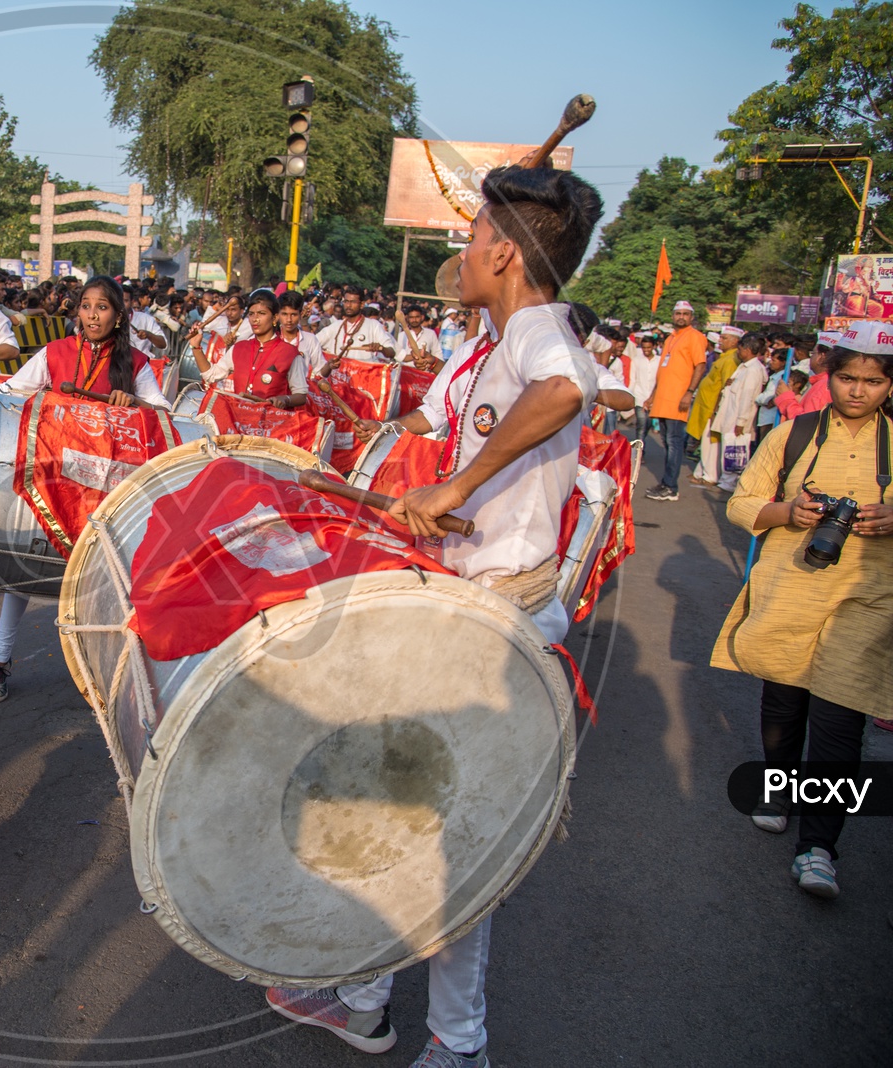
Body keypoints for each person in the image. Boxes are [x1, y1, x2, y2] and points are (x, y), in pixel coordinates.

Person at [271, 163, 603, 1068]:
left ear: (502, 251)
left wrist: (458, 483)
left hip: (498, 623)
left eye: (471, 239)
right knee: (393, 816)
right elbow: (450, 405)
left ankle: (459, 1044)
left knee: (449, 848)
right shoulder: (494, 339)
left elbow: (569, 386)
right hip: (457, 604)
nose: (460, 253)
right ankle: (365, 996)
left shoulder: (540, 331)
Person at [0, 276, 170, 704]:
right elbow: (7, 392)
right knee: (23, 571)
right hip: (50, 477)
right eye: (86, 306)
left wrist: (137, 405)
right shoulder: (56, 354)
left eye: (102, 307)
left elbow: (162, 416)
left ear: (118, 316)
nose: (93, 315)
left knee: (107, 581)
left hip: (104, 488)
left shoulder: (139, 363)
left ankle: (111, 677)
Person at [712, 321, 892, 900]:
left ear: (889, 385)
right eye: (846, 377)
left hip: (865, 600)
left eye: (872, 381)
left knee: (842, 726)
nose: (857, 391)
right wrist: (787, 512)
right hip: (790, 589)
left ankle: (819, 847)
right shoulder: (793, 434)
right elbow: (741, 504)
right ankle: (780, 787)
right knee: (783, 706)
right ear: (829, 375)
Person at [643, 300, 708, 501]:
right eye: (677, 313)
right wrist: (652, 396)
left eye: (685, 314)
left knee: (674, 442)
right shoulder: (671, 337)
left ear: (691, 317)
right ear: (673, 316)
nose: (681, 316)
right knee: (668, 443)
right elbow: (663, 371)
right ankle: (666, 483)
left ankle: (671, 487)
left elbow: (700, 366)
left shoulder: (695, 337)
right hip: (663, 399)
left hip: (678, 399)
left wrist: (689, 392)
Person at [201, 289, 306, 407]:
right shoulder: (239, 348)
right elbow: (211, 375)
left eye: (261, 313)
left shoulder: (290, 353)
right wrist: (195, 347)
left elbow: (301, 395)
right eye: (251, 314)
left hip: (274, 421)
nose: (255, 319)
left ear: (275, 318)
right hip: (239, 419)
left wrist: (285, 399)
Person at [708, 332, 770, 491]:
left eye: (740, 349)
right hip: (731, 414)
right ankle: (726, 480)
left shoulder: (754, 370)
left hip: (738, 417)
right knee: (730, 448)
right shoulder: (745, 367)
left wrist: (741, 422)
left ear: (748, 350)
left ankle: (729, 482)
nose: (738, 352)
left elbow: (748, 398)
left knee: (735, 450)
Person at [688, 325, 744, 486]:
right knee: (706, 443)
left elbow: (726, 388)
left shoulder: (731, 360)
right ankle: (702, 472)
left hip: (712, 408)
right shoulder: (725, 357)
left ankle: (709, 475)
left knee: (711, 443)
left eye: (724, 338)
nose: (720, 340)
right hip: (707, 405)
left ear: (735, 342)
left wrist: (716, 411)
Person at [314, 286, 394, 367]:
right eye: (346, 301)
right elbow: (313, 343)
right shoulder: (336, 326)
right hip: (339, 376)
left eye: (353, 302)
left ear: (362, 304)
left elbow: (391, 352)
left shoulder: (373, 325)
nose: (348, 305)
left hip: (362, 376)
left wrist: (381, 348)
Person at [396, 303, 444, 371]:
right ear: (407, 318)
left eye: (417, 317)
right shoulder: (401, 335)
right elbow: (398, 356)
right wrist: (415, 357)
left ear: (422, 317)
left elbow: (438, 353)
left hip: (424, 372)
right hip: (405, 371)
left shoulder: (430, 333)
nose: (414, 320)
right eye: (411, 317)